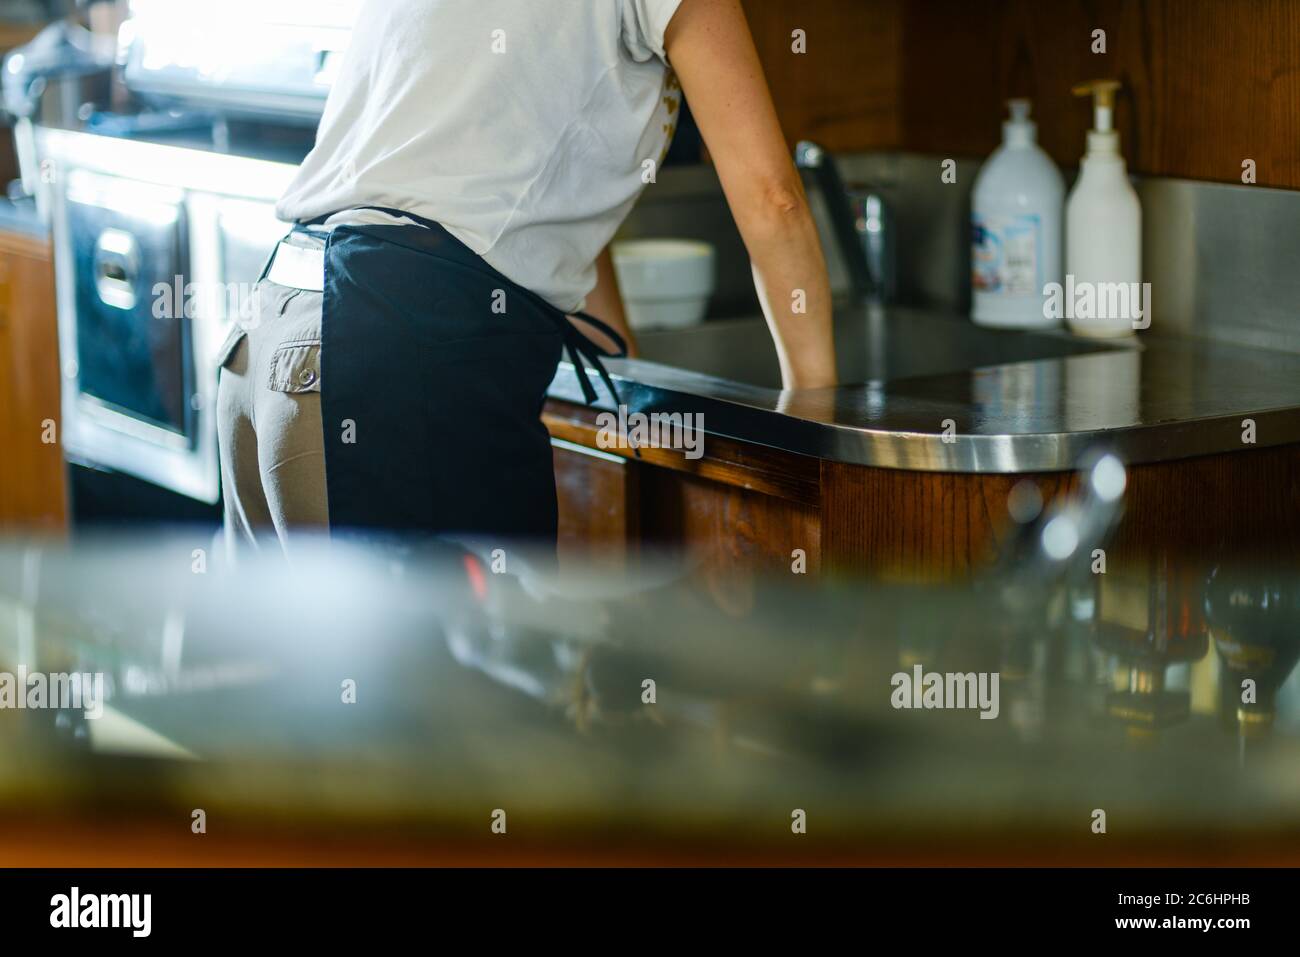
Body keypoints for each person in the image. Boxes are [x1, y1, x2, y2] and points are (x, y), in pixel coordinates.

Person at [215, 0, 836, 558]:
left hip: (272, 341)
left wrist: (624, 369)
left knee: (317, 682)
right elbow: (773, 199)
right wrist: (817, 417)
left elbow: (542, 188)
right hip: (395, 358)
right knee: (462, 683)